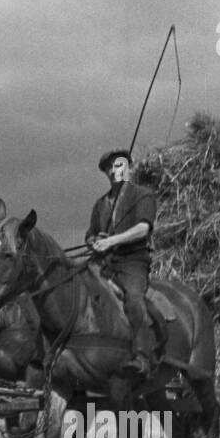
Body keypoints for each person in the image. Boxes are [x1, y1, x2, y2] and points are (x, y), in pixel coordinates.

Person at [86, 149, 158, 379]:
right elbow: (90, 235)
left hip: (133, 261)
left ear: (129, 167)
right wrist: (94, 241)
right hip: (105, 262)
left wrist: (111, 241)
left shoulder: (143, 194)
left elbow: (143, 229)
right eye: (109, 168)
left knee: (134, 300)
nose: (113, 171)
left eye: (118, 165)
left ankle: (143, 357)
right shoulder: (100, 204)